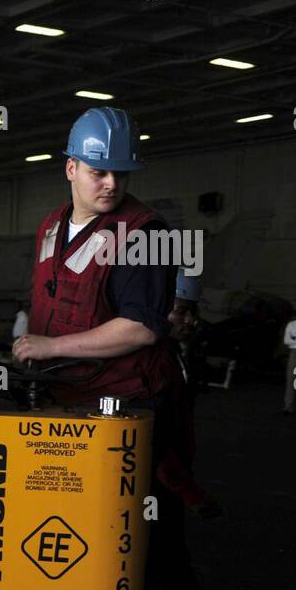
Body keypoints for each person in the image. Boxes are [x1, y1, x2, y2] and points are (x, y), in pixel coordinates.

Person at [12, 107, 179, 408]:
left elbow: (141, 329)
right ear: (71, 169)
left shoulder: (148, 233)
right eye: (99, 172)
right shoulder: (51, 226)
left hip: (121, 399)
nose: (112, 184)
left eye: (121, 174)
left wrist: (51, 347)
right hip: (57, 390)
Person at [147, 269, 251, 590]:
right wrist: (189, 492)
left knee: (168, 568)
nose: (191, 320)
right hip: (156, 486)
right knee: (160, 566)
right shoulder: (154, 362)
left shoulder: (172, 356)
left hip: (166, 484)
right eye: (182, 311)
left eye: (192, 313)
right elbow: (155, 441)